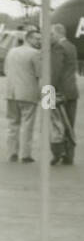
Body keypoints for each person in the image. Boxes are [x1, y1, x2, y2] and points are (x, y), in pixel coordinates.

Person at [3, 29, 40, 163]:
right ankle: (25, 155)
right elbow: (41, 75)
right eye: (36, 38)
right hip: (28, 94)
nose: (39, 41)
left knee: (13, 123)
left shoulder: (12, 51)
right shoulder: (36, 54)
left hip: (11, 93)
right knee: (27, 124)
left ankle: (12, 153)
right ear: (28, 39)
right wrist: (49, 100)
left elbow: (6, 70)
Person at [48, 22, 79, 165]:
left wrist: (48, 92)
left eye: (51, 34)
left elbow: (55, 71)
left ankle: (57, 154)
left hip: (57, 91)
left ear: (56, 34)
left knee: (54, 124)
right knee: (69, 124)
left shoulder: (57, 47)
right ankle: (69, 155)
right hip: (72, 90)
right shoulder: (72, 46)